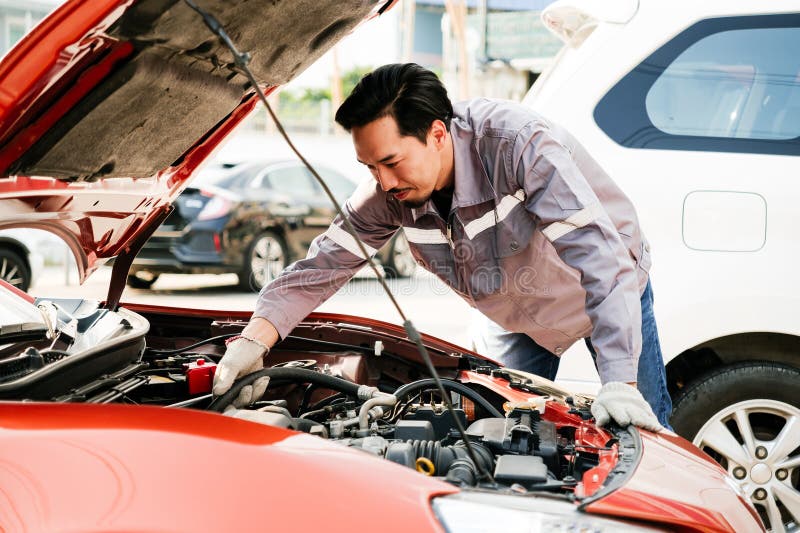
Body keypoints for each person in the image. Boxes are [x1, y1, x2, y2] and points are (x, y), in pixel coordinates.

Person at [213, 63, 671, 430]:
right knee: (497, 431)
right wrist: (253, 340)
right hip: (514, 320)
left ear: (437, 134)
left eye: (391, 162)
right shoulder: (387, 193)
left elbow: (597, 254)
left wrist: (618, 382)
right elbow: (321, 266)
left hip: (605, 293)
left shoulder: (518, 147)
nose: (384, 182)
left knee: (643, 426)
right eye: (370, 167)